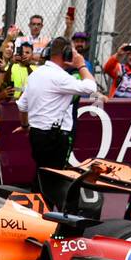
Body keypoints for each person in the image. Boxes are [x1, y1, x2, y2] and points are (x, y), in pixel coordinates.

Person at [16, 36, 97, 197]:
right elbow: (90, 87)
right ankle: (47, 214)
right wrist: (81, 65)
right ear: (66, 54)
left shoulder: (35, 75)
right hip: (54, 137)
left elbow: (22, 106)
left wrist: (25, 126)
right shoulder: (60, 77)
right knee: (53, 180)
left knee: (41, 174)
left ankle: (36, 209)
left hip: (36, 134)